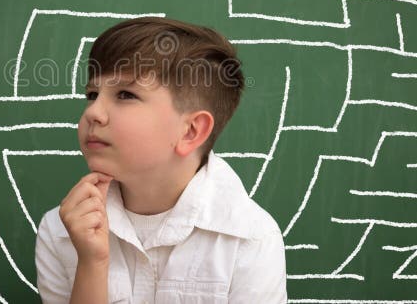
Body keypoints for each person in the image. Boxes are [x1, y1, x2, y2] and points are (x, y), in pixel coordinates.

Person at [35, 17, 287, 303]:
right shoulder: (61, 231)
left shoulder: (250, 238)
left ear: (191, 131)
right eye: (92, 94)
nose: (93, 112)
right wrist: (92, 266)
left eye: (125, 94)